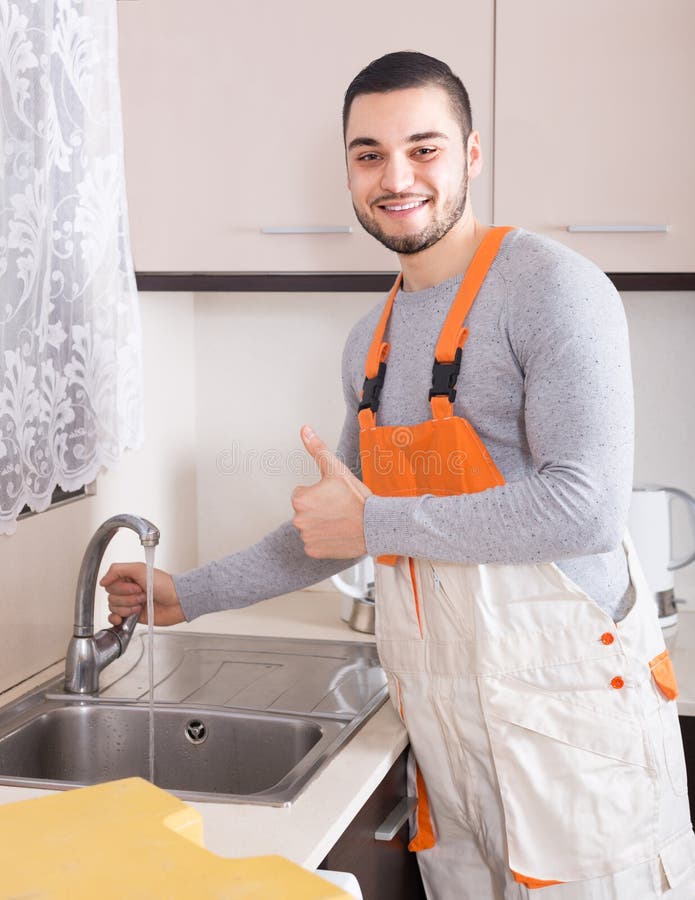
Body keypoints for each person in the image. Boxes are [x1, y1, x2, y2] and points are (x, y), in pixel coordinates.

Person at [101, 52, 695, 899]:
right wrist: (185, 593)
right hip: (453, 741)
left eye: (425, 148)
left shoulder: (552, 289)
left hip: (572, 741)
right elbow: (333, 527)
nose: (396, 176)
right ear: (346, 169)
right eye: (369, 153)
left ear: (472, 154)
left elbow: (585, 507)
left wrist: (372, 527)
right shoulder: (370, 340)